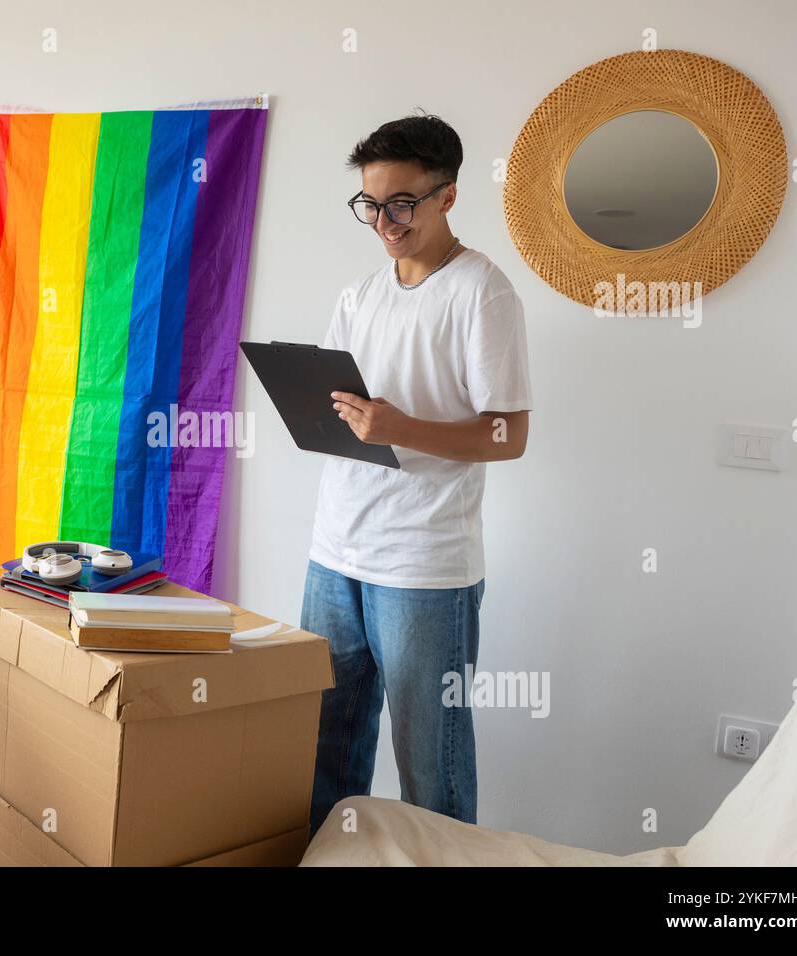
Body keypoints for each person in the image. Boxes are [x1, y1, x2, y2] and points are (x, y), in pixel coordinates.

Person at [303, 112, 533, 836]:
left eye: (401, 204)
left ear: (448, 196)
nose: (384, 222)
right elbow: (343, 405)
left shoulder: (482, 294)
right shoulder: (361, 293)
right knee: (321, 750)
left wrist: (402, 429)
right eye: (371, 205)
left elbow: (510, 434)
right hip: (335, 548)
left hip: (424, 565)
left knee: (432, 766)